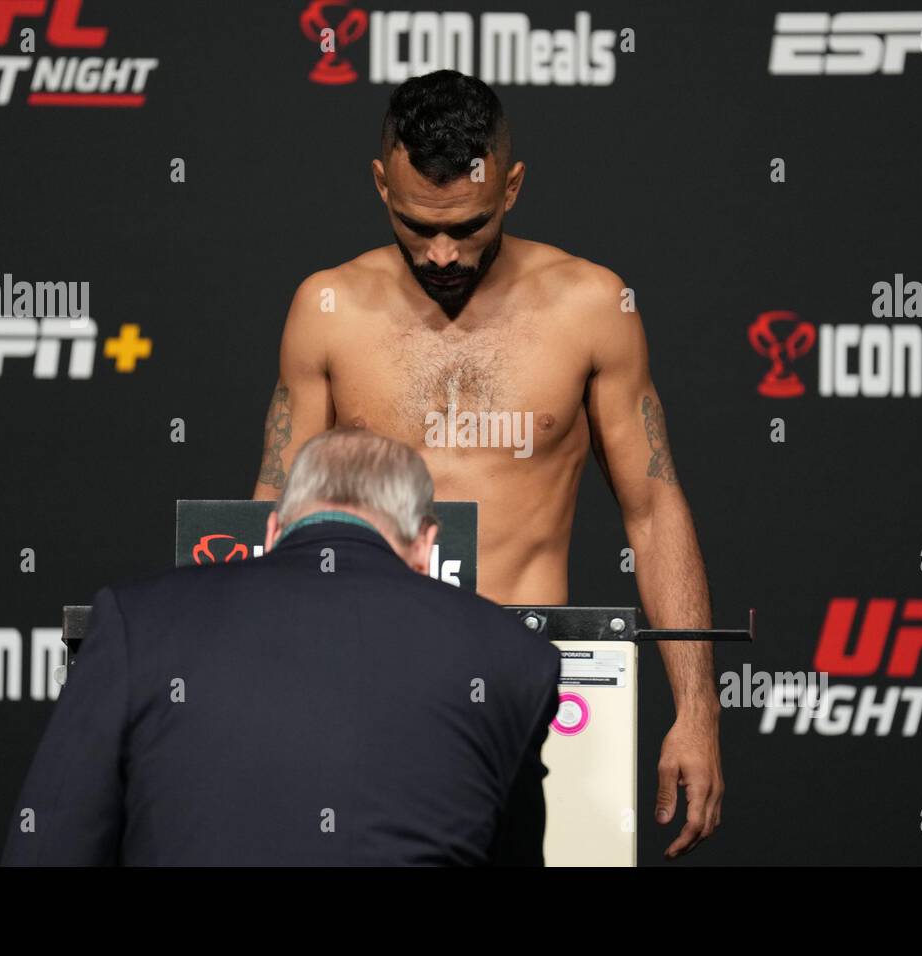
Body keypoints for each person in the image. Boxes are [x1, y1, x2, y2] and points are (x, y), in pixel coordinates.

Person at [252, 69, 721, 858]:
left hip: (528, 687)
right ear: (380, 185)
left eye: (466, 226)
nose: (441, 253)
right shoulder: (326, 308)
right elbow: (276, 512)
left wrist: (697, 710)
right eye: (415, 224)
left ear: (511, 186)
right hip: (366, 682)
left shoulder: (592, 306)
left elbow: (653, 508)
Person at [3, 428, 561, 865]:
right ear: (425, 546)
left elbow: (49, 845)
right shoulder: (513, 656)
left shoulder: (137, 621)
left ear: (271, 532)